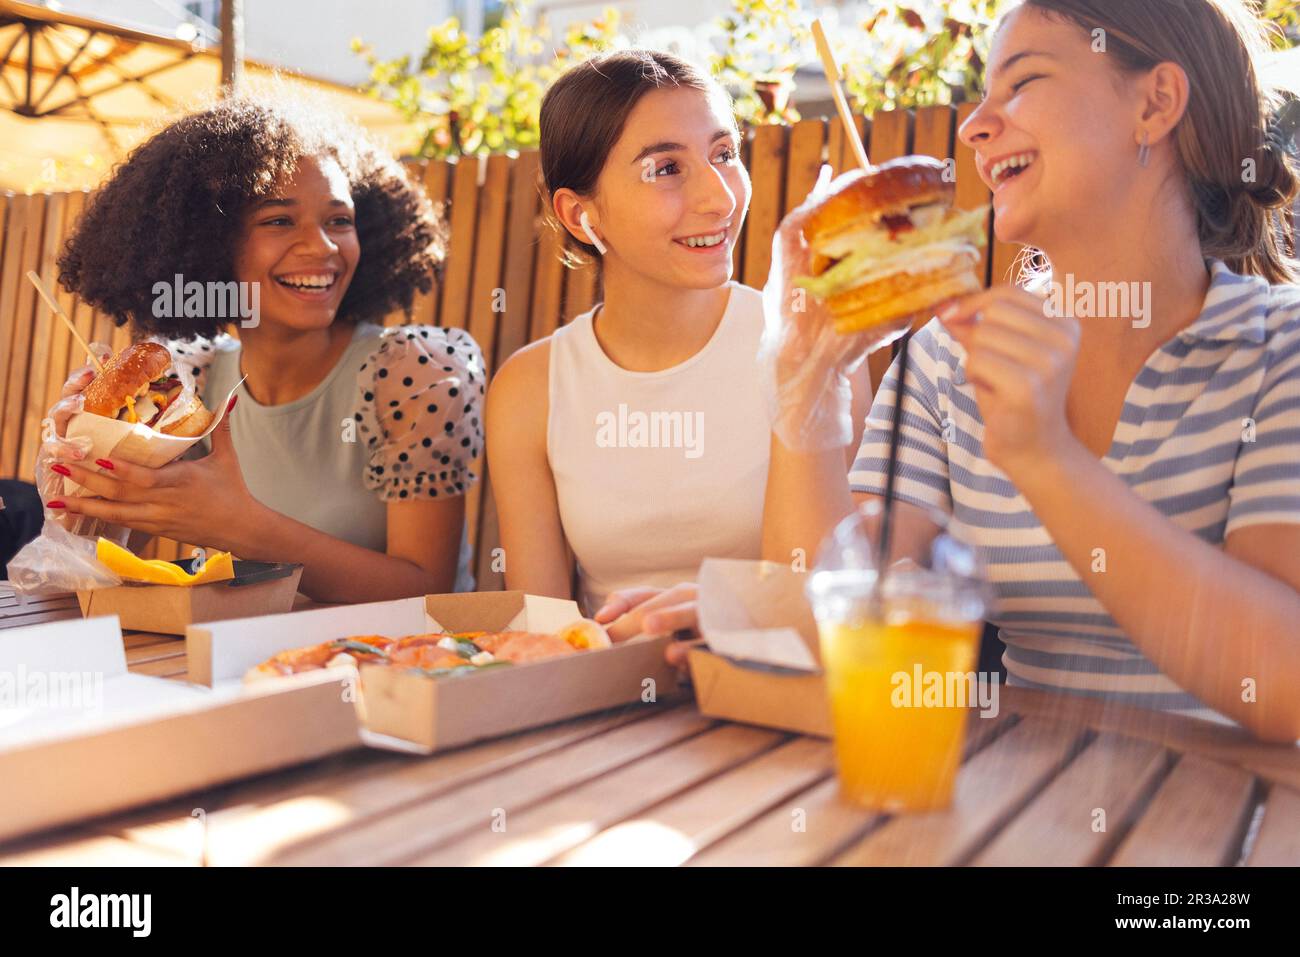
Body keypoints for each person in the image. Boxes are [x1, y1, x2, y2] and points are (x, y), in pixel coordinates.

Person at [616, 0, 1300, 743]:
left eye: (1023, 83)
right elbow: (847, 629)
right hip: (1014, 811)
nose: (975, 125)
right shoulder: (947, 359)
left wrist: (1049, 460)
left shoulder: (1278, 351)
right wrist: (805, 387)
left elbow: (1282, 683)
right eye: (983, 95)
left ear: (1155, 102)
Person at [44, 95, 485, 603]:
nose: (322, 247)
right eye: (279, 221)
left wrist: (241, 526)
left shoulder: (415, 371)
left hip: (388, 668)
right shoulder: (192, 384)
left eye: (339, 220)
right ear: (209, 245)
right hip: (234, 667)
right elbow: (90, 578)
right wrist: (87, 471)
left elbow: (430, 591)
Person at [486, 50, 871, 622]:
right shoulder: (529, 389)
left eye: (724, 154)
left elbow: (835, 597)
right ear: (577, 215)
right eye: (666, 169)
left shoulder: (814, 344)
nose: (719, 198)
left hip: (778, 685)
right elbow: (543, 636)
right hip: (611, 693)